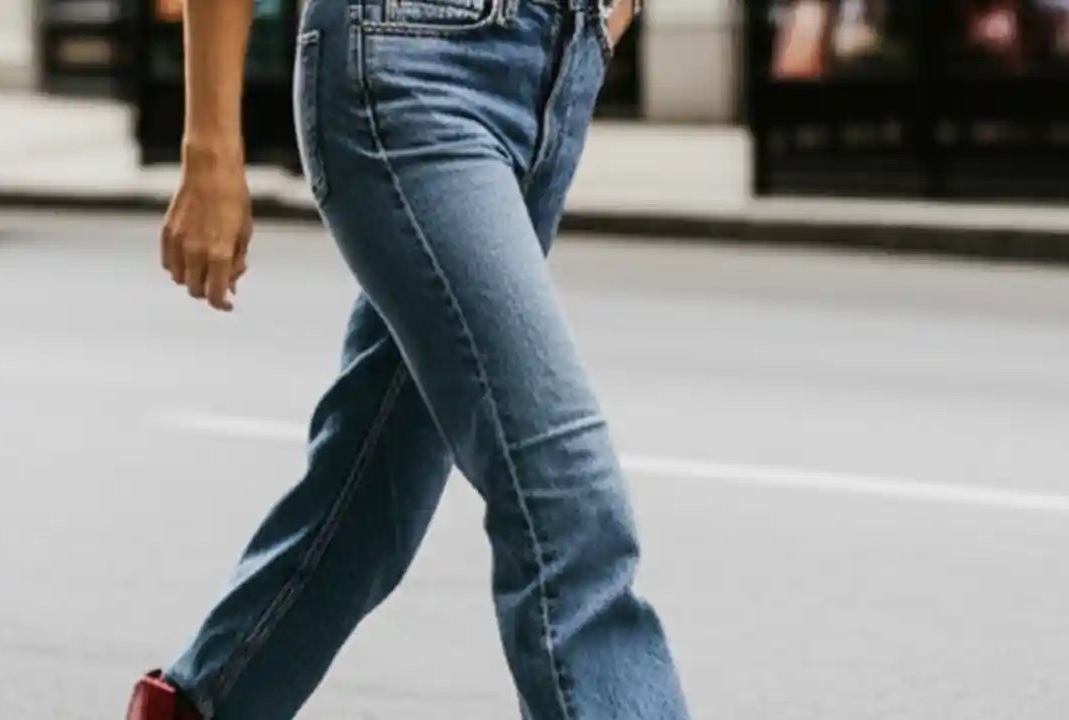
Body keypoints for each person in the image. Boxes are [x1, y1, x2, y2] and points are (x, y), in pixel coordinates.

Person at [125, 0, 692, 718]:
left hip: (553, 68)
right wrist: (210, 148)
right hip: (409, 62)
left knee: (370, 495)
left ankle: (203, 708)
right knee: (564, 498)